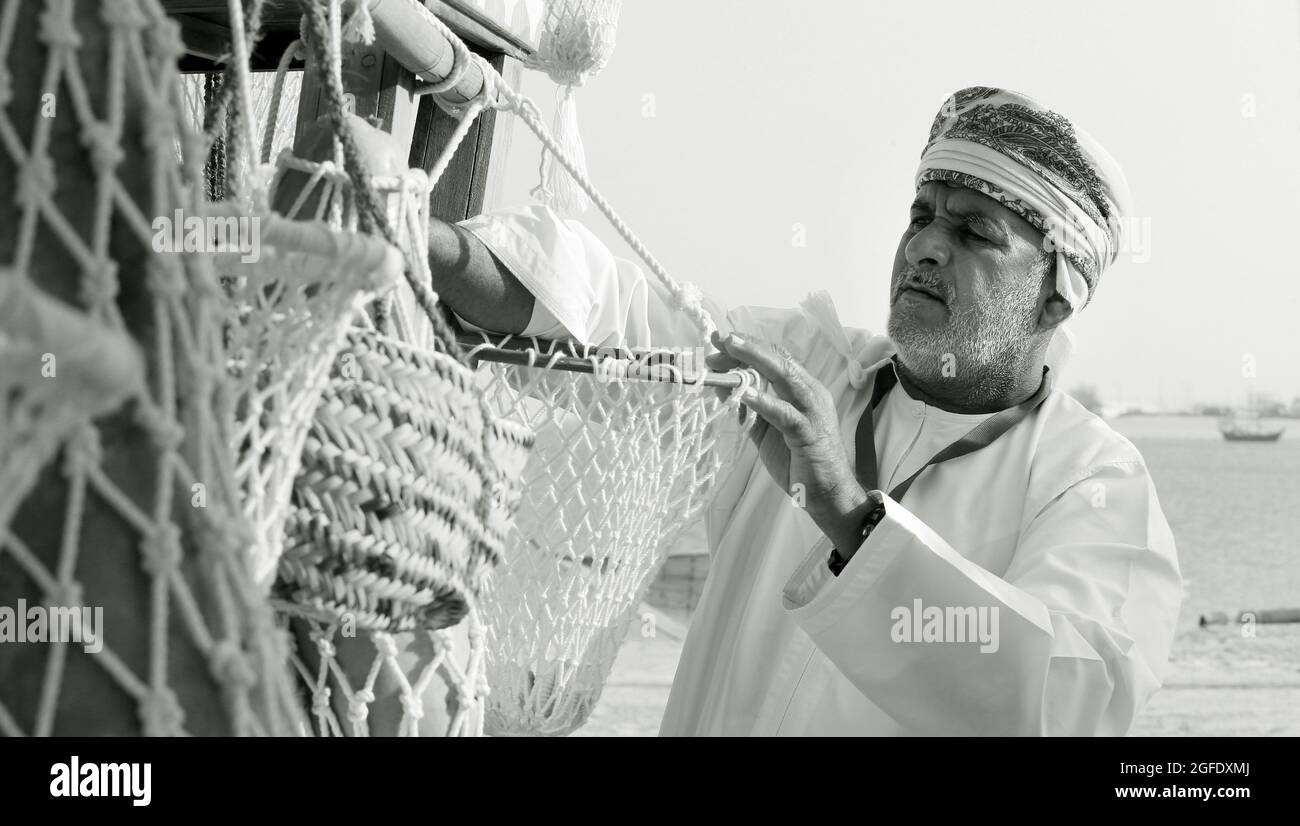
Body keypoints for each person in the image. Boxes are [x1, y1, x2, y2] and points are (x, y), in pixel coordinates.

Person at [363, 87, 1183, 735]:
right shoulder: (809, 370)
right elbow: (605, 312)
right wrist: (404, 233)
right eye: (922, 216)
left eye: (976, 233)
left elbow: (1063, 703)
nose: (928, 247)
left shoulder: (1092, 482)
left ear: (1056, 297)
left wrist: (847, 515)